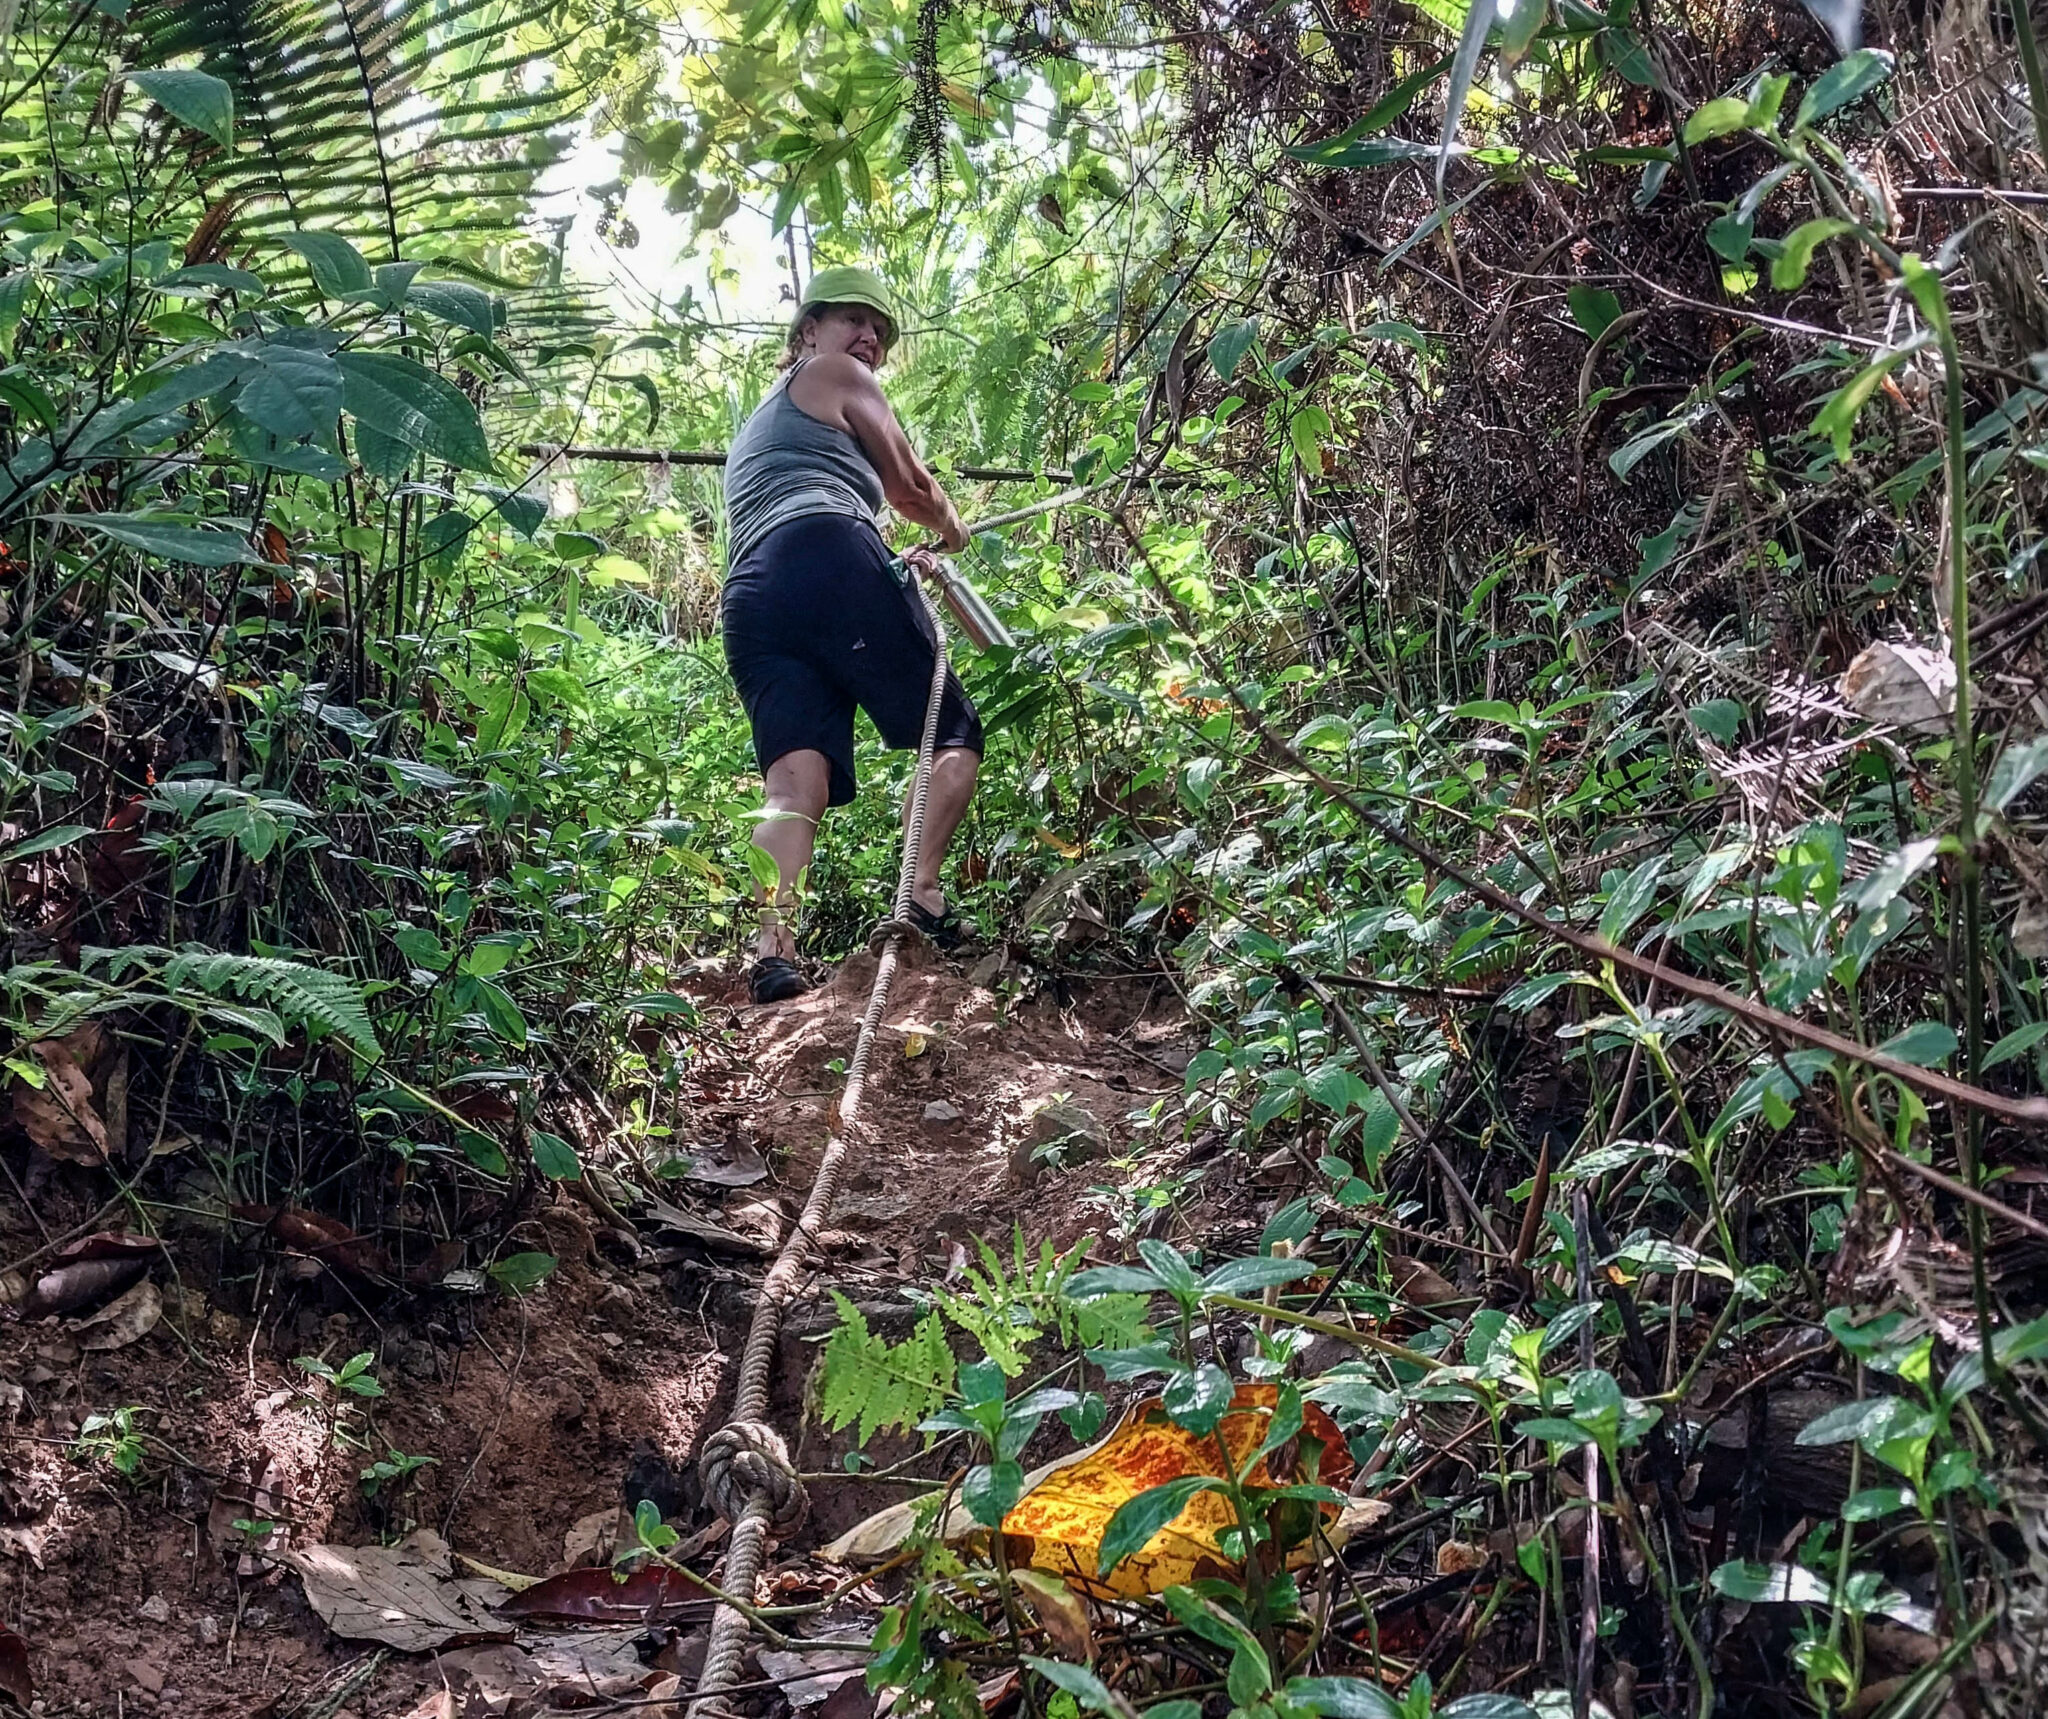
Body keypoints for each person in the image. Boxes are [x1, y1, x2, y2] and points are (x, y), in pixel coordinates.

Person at [721, 265, 983, 1005]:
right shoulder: (831, 371)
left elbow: (800, 509)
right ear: (809, 332)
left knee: (794, 781)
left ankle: (772, 948)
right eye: (852, 321)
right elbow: (908, 486)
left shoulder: (758, 426)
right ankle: (922, 898)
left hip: (753, 593)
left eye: (880, 331)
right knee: (955, 734)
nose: (868, 339)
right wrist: (951, 525)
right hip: (827, 550)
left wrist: (872, 551)